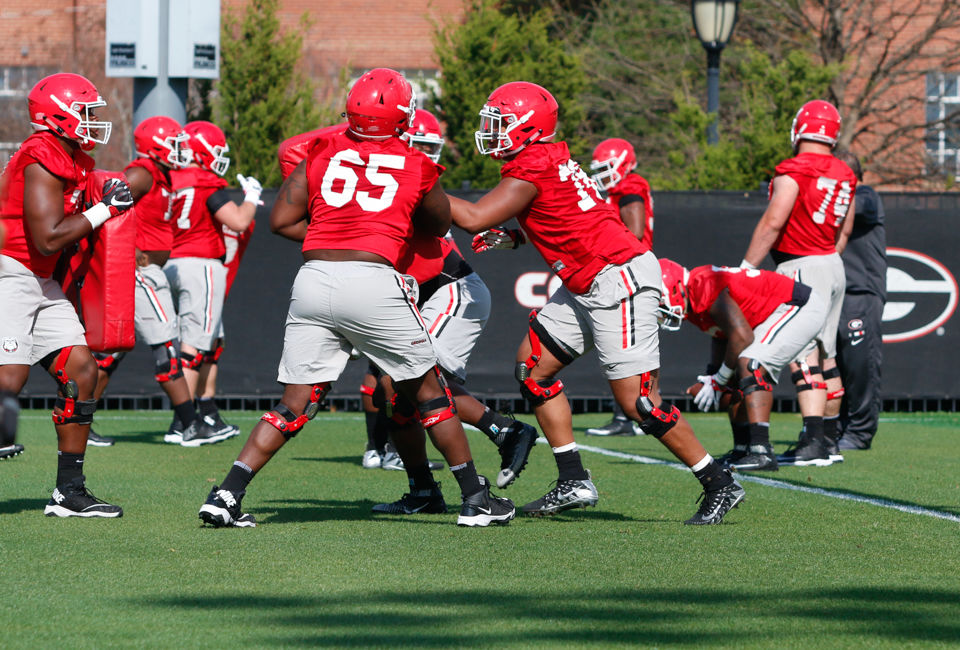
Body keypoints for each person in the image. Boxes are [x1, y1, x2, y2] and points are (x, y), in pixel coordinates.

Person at [199, 68, 515, 528]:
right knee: (430, 395)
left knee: (294, 403)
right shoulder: (417, 164)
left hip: (312, 278)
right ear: (404, 116)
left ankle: (227, 493)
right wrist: (368, 240)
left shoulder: (323, 151)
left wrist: (336, 234)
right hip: (372, 281)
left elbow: (281, 222)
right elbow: (435, 226)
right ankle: (475, 499)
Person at [451, 81, 744, 524]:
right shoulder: (544, 160)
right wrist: (513, 237)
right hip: (589, 281)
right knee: (533, 367)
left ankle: (719, 482)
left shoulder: (533, 164)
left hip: (616, 280)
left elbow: (472, 217)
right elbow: (565, 215)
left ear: (528, 126)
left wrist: (415, 186)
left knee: (641, 404)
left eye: (501, 122)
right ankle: (573, 478)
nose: (491, 130)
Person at [0, 72, 133, 516]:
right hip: (11, 271)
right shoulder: (41, 153)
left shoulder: (70, 156)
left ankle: (69, 492)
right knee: (8, 382)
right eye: (87, 112)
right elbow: (48, 239)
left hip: (39, 279)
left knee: (82, 371)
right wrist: (103, 209)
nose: (95, 121)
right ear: (60, 113)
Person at [89, 115, 228, 447]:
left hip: (146, 271)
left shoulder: (163, 176)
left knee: (112, 353)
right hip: (138, 271)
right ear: (156, 146)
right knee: (167, 346)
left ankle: (80, 416)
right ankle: (190, 425)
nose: (181, 149)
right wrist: (124, 251)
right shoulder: (141, 173)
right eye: (174, 143)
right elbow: (102, 206)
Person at [740, 99, 856, 467]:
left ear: (799, 128)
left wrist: (746, 268)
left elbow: (773, 222)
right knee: (828, 355)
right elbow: (845, 230)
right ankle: (829, 439)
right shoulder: (845, 172)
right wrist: (825, 256)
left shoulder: (793, 170)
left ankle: (812, 441)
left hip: (802, 265)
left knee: (803, 353)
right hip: (832, 262)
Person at [657, 259, 827, 470]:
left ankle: (761, 451)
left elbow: (742, 336)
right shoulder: (695, 294)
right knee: (733, 373)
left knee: (751, 364)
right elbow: (722, 335)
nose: (660, 309)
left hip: (798, 305)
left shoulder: (703, 285)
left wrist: (718, 380)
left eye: (659, 300)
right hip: (782, 309)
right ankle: (742, 449)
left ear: (673, 287)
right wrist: (715, 376)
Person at [166, 120, 262, 441]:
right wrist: (251, 197)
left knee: (211, 342)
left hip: (172, 262)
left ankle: (206, 413)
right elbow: (238, 220)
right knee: (194, 345)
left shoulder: (171, 179)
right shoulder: (204, 183)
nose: (219, 158)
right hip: (200, 265)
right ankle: (184, 423)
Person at [585, 137, 653, 437]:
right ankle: (632, 414)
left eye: (605, 169)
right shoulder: (620, 188)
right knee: (621, 347)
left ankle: (632, 416)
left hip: (628, 272)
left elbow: (635, 231)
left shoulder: (630, 186)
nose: (600, 176)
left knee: (625, 348)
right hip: (627, 271)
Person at [833, 150, 886, 451]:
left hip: (860, 292)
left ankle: (860, 432)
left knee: (860, 364)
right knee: (835, 365)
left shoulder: (866, 195)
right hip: (834, 292)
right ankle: (834, 428)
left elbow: (854, 206)